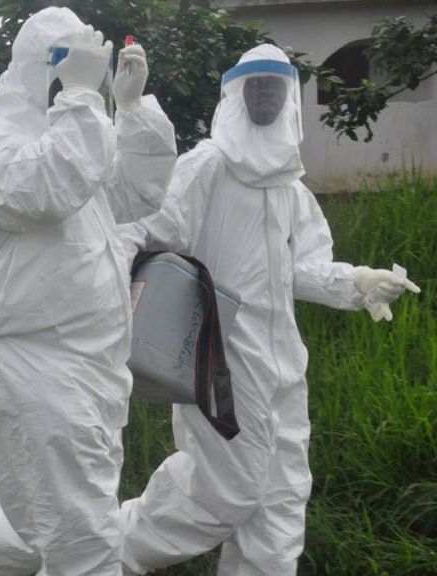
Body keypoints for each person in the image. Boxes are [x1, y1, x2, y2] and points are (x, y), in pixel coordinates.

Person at [116, 44, 421, 575]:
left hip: (283, 364)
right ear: (235, 94)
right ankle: (94, 554)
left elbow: (299, 268)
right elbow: (149, 232)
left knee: (281, 496)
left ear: (290, 98)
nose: (263, 96)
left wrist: (357, 282)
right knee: (219, 493)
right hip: (218, 358)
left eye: (273, 87)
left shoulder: (288, 186)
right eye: (253, 86)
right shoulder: (207, 167)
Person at [0, 7, 177, 575]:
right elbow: (45, 190)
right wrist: (81, 98)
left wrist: (128, 110)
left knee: (65, 518)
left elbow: (137, 195)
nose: (77, 77)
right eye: (66, 63)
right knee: (84, 540)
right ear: (37, 66)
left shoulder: (78, 134)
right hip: (27, 360)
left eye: (84, 66)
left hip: (92, 361)